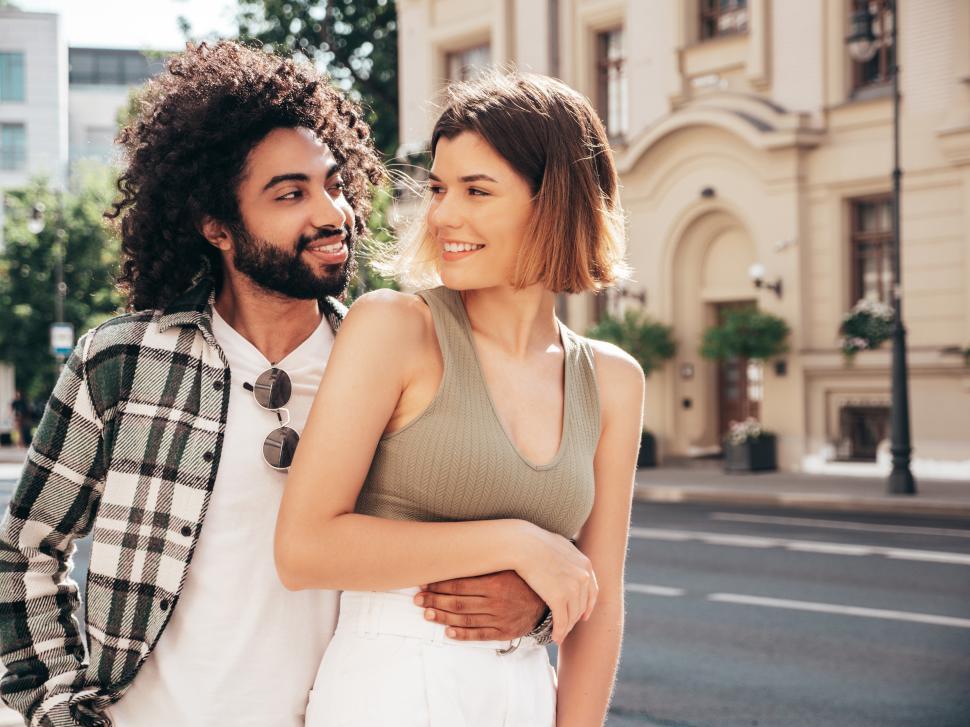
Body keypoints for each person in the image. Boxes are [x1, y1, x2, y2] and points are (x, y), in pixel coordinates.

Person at [0, 42, 548, 727]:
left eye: (334, 183)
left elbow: (470, 530)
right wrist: (57, 706)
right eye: (290, 193)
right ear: (217, 227)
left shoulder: (394, 363)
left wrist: (539, 603)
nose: (333, 213)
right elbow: (24, 551)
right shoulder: (123, 362)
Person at [276, 71, 645, 727]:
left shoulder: (613, 380)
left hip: (526, 692)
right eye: (440, 188)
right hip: (389, 687)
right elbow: (304, 547)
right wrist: (519, 543)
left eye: (478, 190)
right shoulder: (396, 328)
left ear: (555, 202)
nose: (443, 214)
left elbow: (600, 603)